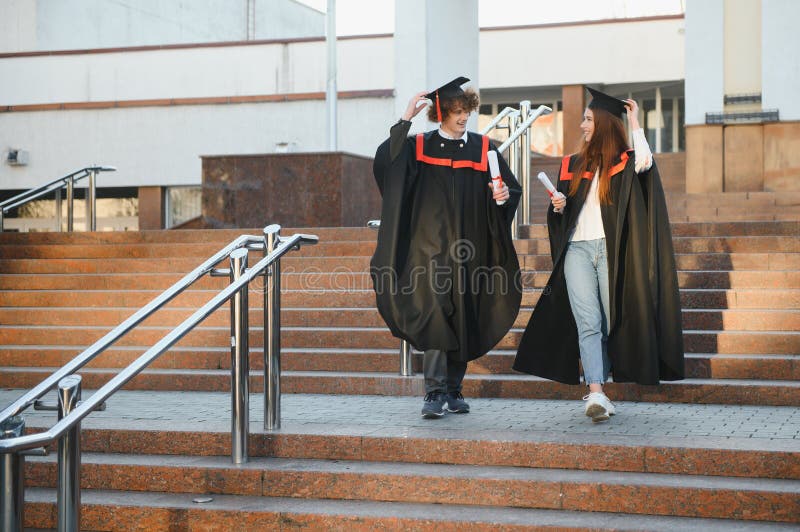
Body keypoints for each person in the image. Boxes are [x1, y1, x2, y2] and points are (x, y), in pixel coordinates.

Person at [513, 87, 684, 422]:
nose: (582, 126)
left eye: (588, 119)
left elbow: (645, 163)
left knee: (611, 318)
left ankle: (604, 381)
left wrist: (634, 121)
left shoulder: (624, 163)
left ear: (604, 123)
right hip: (577, 249)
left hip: (611, 250)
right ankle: (595, 392)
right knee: (588, 322)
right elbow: (563, 212)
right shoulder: (572, 165)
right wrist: (558, 206)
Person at [371, 77, 522, 419]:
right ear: (441, 114)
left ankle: (454, 390)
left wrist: (501, 198)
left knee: (463, 316)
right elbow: (387, 164)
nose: (463, 117)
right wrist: (405, 118)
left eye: (466, 110)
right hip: (429, 250)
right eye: (456, 111)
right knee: (435, 315)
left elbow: (508, 192)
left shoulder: (484, 149)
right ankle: (435, 392)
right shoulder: (417, 147)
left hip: (471, 250)